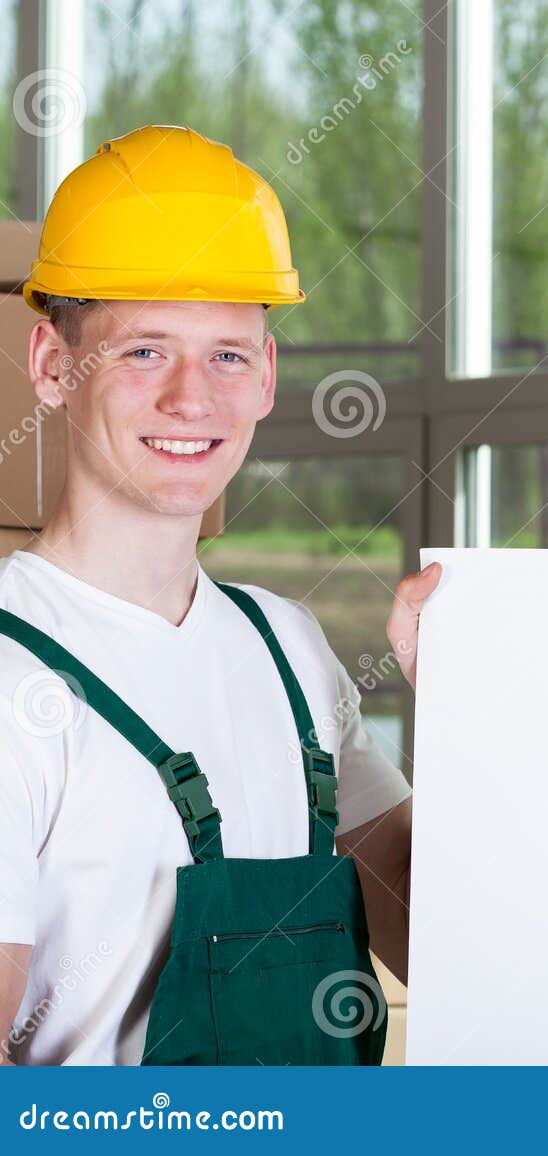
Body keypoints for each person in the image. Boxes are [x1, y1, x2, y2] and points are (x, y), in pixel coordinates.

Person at [0, 125, 438, 1065]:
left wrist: (476, 715)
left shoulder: (289, 649)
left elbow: (437, 947)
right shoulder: (11, 673)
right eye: (144, 352)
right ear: (49, 365)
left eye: (229, 356)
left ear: (269, 376)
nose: (192, 400)